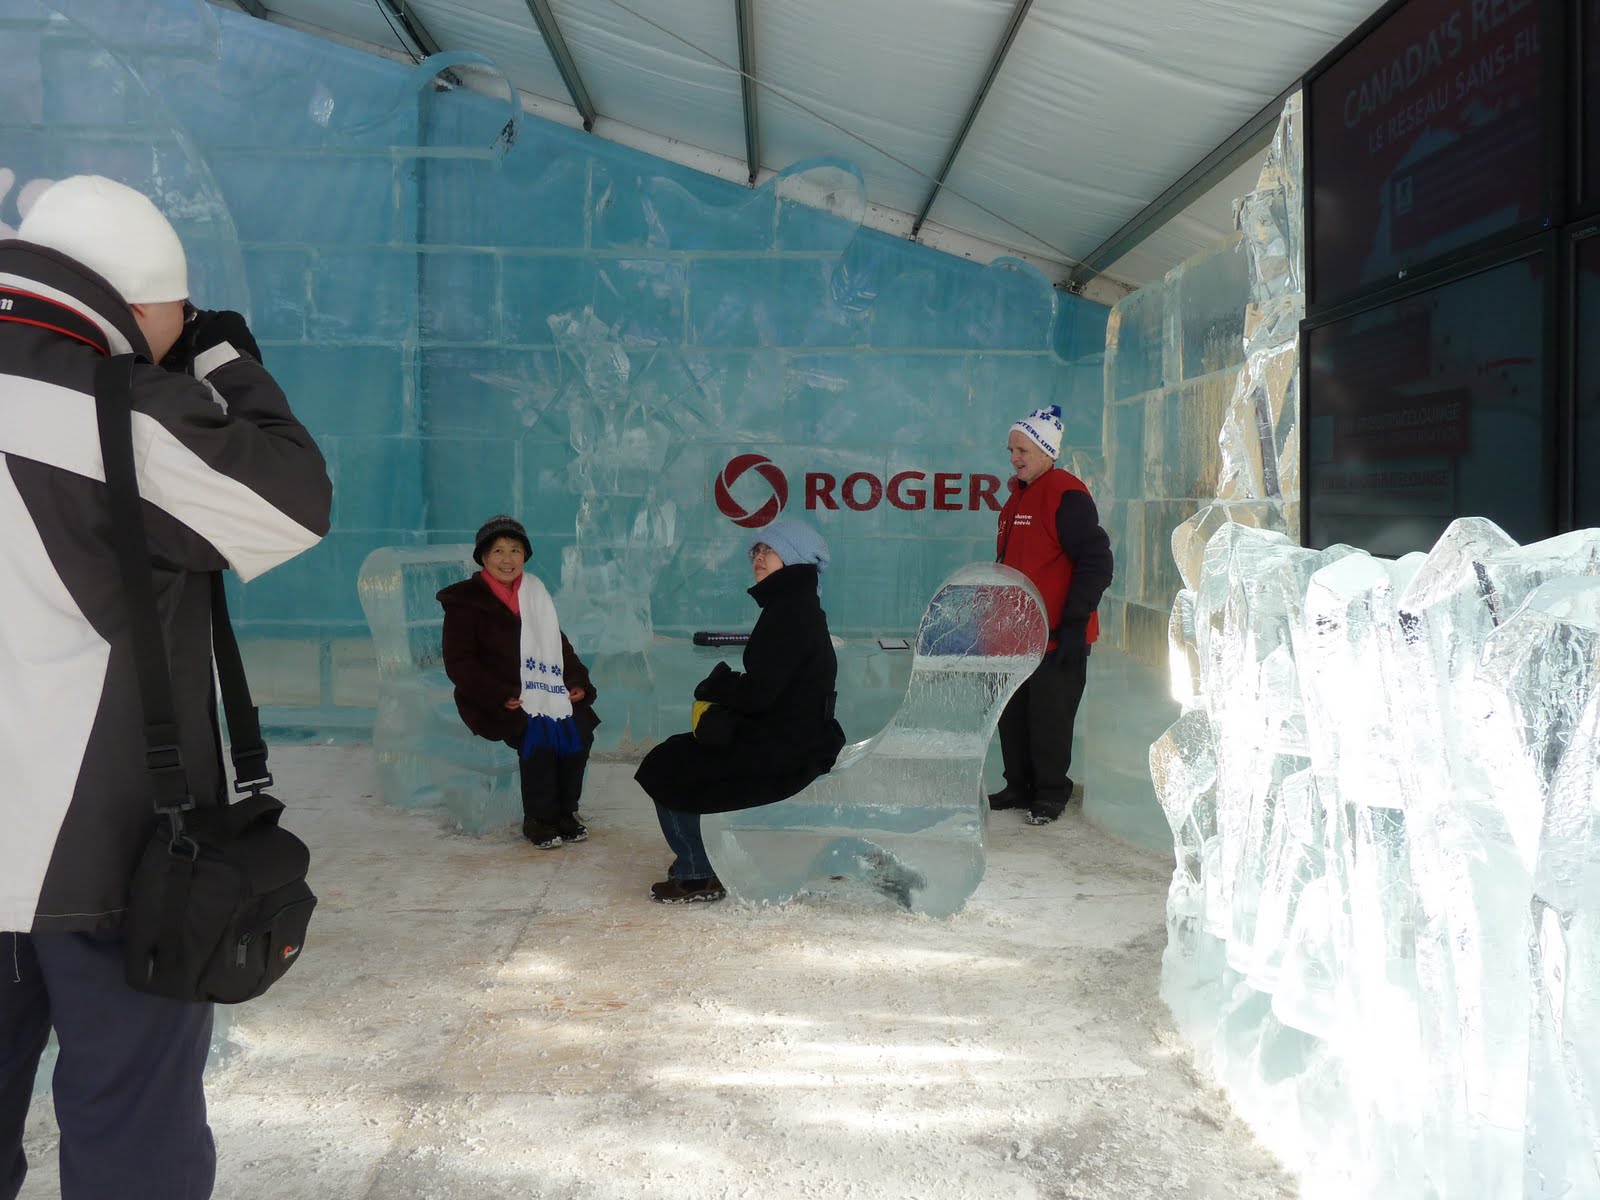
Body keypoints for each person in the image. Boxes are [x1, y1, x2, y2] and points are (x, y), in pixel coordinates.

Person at [0, 176, 332, 1199]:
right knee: (132, 1133)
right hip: (104, 859)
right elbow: (290, 503)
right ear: (141, 307)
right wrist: (224, 357)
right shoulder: (121, 412)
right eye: (175, 314)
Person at [634, 518, 846, 903]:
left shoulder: (790, 612)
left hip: (785, 749)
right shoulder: (795, 605)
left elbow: (760, 693)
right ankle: (698, 860)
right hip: (792, 737)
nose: (758, 559)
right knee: (679, 757)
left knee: (666, 763)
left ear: (795, 556)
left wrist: (716, 684)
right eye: (756, 552)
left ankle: (697, 873)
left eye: (768, 550)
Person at [438, 515, 598, 849]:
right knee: (537, 734)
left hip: (546, 689)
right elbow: (460, 663)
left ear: (525, 557)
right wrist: (501, 695)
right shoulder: (465, 601)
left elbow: (559, 647)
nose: (507, 559)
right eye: (498, 551)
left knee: (578, 728)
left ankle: (566, 811)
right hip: (496, 696)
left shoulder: (535, 595)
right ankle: (539, 818)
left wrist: (575, 682)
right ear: (483, 557)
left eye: (515, 550)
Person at [988, 404, 1114, 826]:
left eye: (1022, 449)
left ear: (1046, 450)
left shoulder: (1066, 494)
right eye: (1011, 450)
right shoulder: (1016, 498)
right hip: (1016, 637)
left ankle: (1050, 794)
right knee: (1014, 715)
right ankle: (1019, 785)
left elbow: (1096, 561)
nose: (1015, 458)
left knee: (1049, 716)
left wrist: (1076, 623)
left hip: (1057, 635)